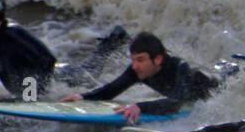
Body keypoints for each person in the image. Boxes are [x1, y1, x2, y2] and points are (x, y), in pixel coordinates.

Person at [63, 32, 217, 124]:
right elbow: (111, 90)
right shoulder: (139, 70)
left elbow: (175, 104)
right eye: (133, 59)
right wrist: (83, 97)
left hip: (223, 86)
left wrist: (139, 107)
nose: (135, 66)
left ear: (157, 59)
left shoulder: (183, 68)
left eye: (140, 60)